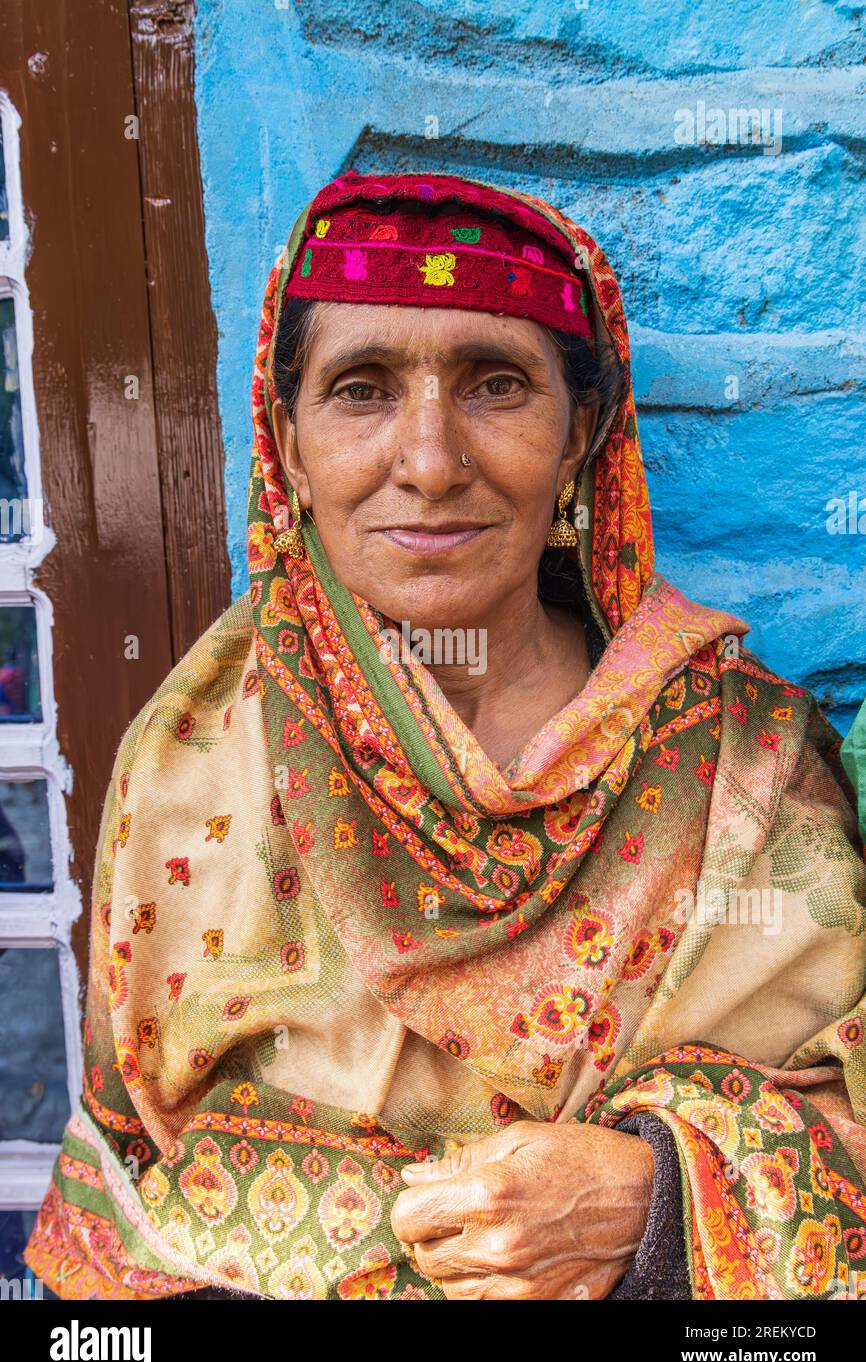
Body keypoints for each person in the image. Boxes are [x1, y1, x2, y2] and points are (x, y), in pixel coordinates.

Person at [26, 170, 866, 1301]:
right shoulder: (192, 757)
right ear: (288, 444)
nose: (427, 461)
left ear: (581, 438)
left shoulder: (743, 762)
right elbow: (132, 1192)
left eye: (495, 386)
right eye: (362, 389)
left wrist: (659, 1194)